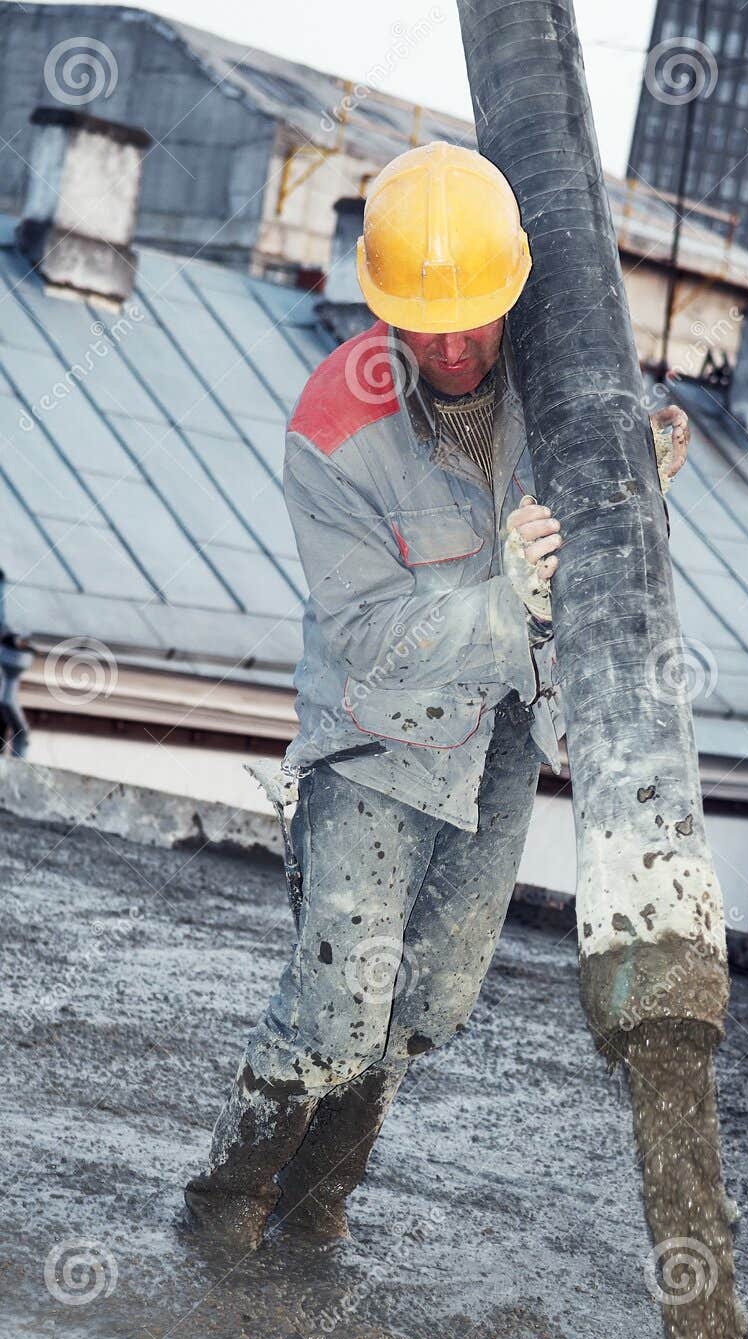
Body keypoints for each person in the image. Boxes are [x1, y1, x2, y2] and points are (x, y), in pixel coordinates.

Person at [184, 141, 689, 1248]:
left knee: (429, 1007)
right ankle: (222, 1208)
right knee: (334, 1014)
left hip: (499, 736)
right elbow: (367, 635)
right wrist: (500, 603)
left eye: (474, 317)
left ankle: (314, 1213)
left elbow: (597, 544)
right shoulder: (336, 427)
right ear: (385, 309)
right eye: (426, 322)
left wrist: (632, 480)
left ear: (511, 292)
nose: (453, 347)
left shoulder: (550, 379)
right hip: (375, 741)